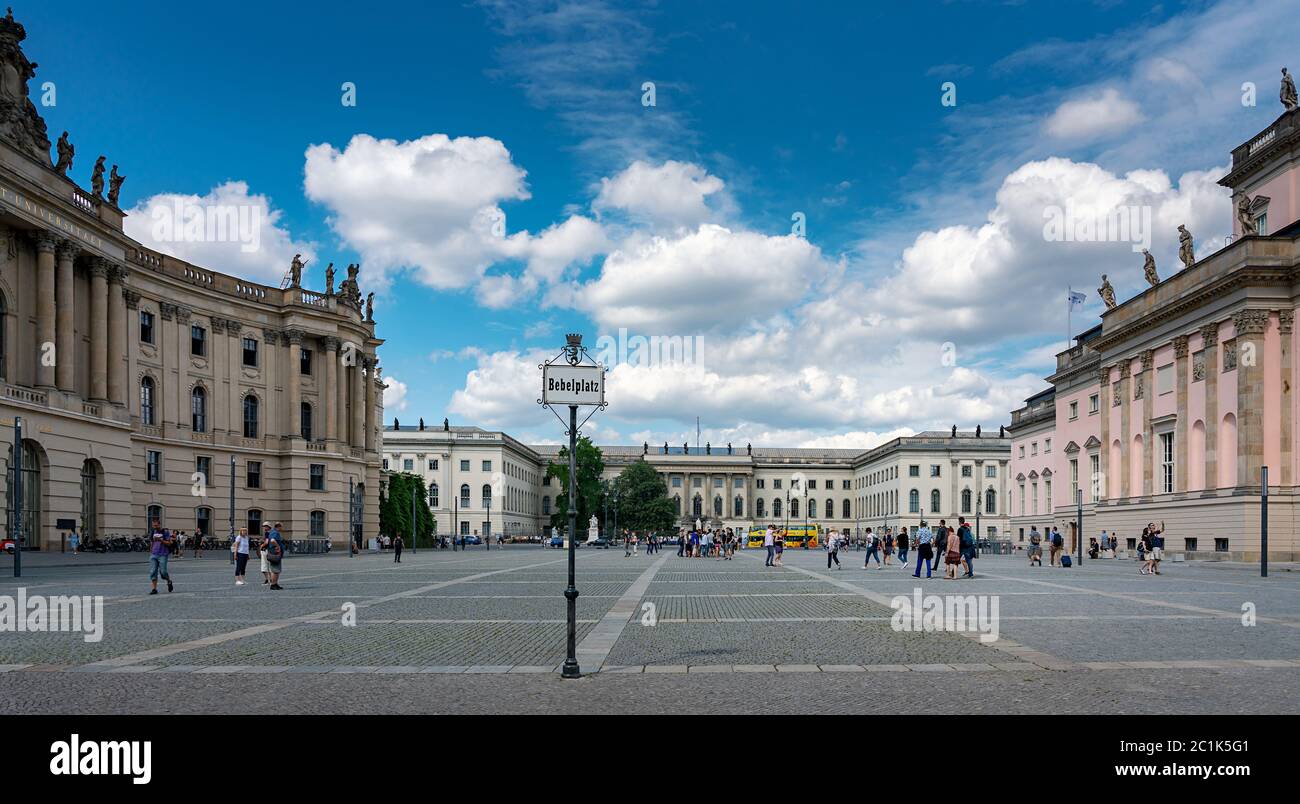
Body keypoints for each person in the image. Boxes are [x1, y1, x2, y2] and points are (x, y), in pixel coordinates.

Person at [147, 518, 174, 595]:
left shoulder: (165, 532)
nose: (154, 526)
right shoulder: (152, 532)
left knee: (163, 572)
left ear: (159, 524)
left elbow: (169, 543)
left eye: (156, 525)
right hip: (154, 554)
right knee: (153, 571)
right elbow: (152, 542)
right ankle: (154, 589)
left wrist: (161, 540)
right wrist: (151, 550)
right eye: (153, 525)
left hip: (163, 554)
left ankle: (169, 581)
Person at [265, 522, 286, 590]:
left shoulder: (273, 532)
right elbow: (272, 540)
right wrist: (278, 546)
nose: (282, 528)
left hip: (275, 553)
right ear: (279, 527)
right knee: (275, 570)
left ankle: (275, 584)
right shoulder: (275, 533)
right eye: (282, 526)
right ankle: (273, 584)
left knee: (277, 570)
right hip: (275, 554)